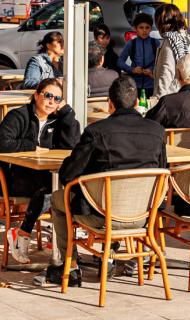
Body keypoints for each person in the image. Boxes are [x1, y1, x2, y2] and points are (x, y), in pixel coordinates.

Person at [36, 75, 167, 288]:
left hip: (103, 216)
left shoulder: (96, 132)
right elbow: (163, 172)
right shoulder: (157, 132)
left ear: (110, 104)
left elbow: (68, 174)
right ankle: (109, 257)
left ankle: (69, 267)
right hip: (144, 217)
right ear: (136, 103)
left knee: (59, 200)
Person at [0, 78, 81, 266]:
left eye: (57, 98)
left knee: (59, 188)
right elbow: (2, 142)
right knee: (51, 190)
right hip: (15, 177)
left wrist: (68, 114)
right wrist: (32, 147)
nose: (51, 101)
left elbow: (72, 146)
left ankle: (26, 234)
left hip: (45, 176)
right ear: (36, 95)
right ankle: (29, 235)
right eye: (48, 95)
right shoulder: (19, 116)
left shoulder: (58, 120)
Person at [149, 2, 190, 102]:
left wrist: (159, 100)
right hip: (189, 95)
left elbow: (166, 72)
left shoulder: (169, 41)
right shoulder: (188, 39)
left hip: (172, 97)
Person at [116, 14, 159, 84]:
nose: (144, 30)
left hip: (152, 84)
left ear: (151, 28)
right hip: (135, 84)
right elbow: (120, 61)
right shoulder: (131, 43)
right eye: (141, 27)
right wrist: (132, 70)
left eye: (147, 27)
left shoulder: (155, 43)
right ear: (135, 29)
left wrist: (152, 69)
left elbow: (161, 62)